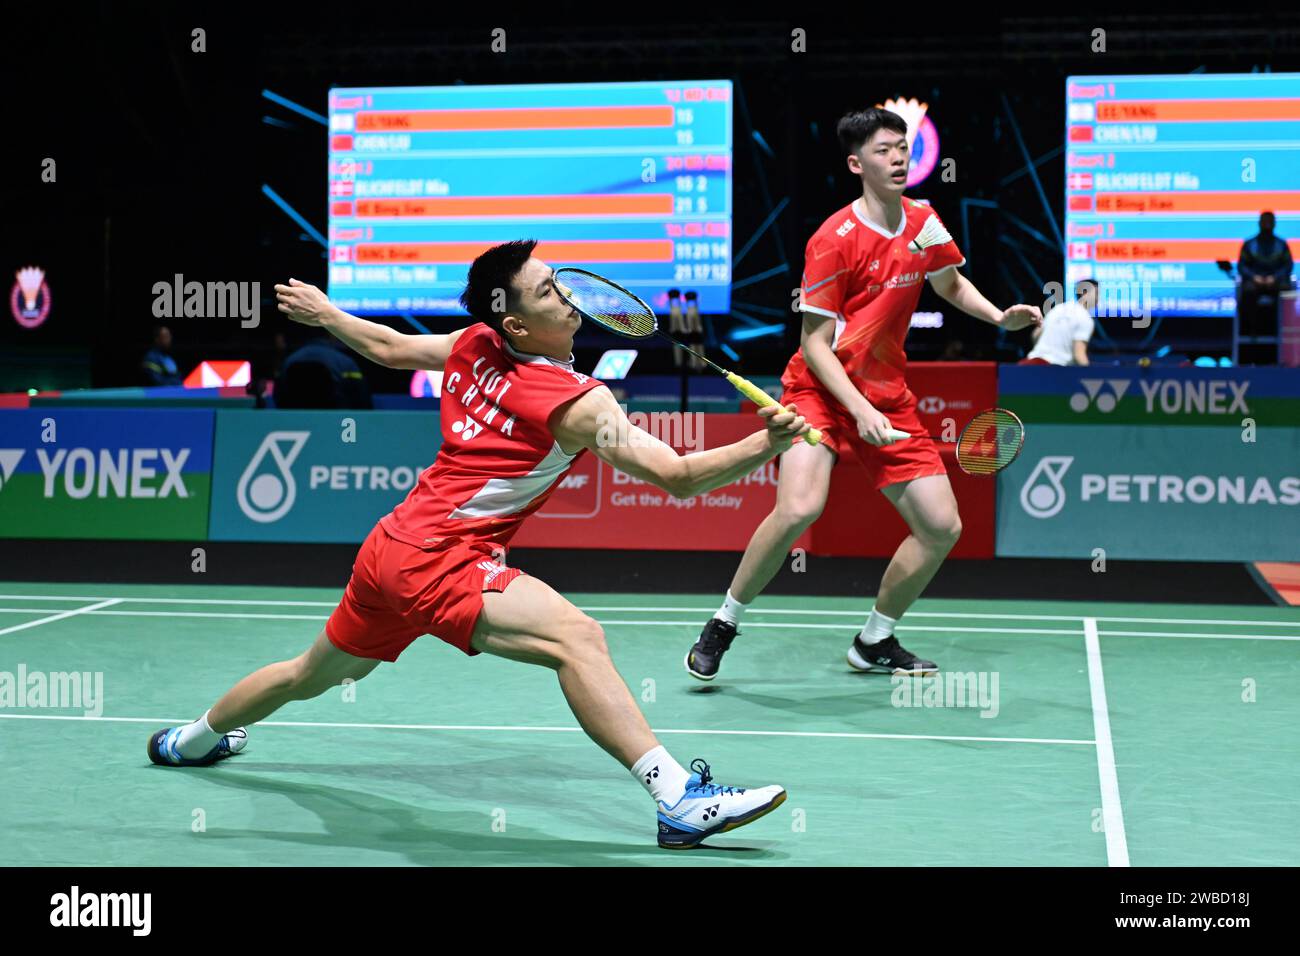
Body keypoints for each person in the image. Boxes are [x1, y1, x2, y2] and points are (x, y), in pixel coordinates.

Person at [144, 241, 808, 850]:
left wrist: (327, 314)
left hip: (389, 548)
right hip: (441, 559)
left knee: (311, 674)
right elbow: (679, 478)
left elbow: (390, 348)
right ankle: (678, 800)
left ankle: (188, 741)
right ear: (515, 324)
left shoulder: (476, 343)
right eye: (548, 291)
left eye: (559, 280)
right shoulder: (581, 403)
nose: (567, 294)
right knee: (576, 639)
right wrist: (765, 443)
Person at [686, 107, 1041, 682]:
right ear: (856, 163)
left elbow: (948, 281)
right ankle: (724, 621)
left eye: (902, 147)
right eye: (883, 150)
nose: (898, 157)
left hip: (886, 392)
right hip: (821, 390)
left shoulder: (925, 221)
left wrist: (998, 317)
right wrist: (860, 410)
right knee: (801, 506)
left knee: (941, 527)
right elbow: (818, 345)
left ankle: (875, 639)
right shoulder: (833, 239)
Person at [274, 331, 373, 409]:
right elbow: (361, 399)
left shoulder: (289, 361)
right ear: (331, 334)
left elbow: (278, 397)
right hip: (337, 422)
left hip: (295, 423)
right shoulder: (345, 362)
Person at [1238, 212, 1294, 338]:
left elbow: (1288, 266)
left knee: (1286, 290)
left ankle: (1284, 331)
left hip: (1276, 282)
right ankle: (1250, 331)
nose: (1267, 225)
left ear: (1274, 224)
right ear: (1259, 224)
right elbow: (1242, 266)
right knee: (1247, 291)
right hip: (1255, 282)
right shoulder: (1249, 244)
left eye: (1270, 222)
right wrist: (1254, 277)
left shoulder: (1281, 245)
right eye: (1264, 222)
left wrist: (1275, 277)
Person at [1023, 279, 1096, 366]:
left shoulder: (1058, 309)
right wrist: (1092, 375)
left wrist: (1043, 353)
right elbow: (1079, 355)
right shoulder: (1086, 318)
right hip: (1053, 369)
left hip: (1030, 363)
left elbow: (1035, 335)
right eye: (1097, 293)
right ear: (1085, 293)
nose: (1099, 298)